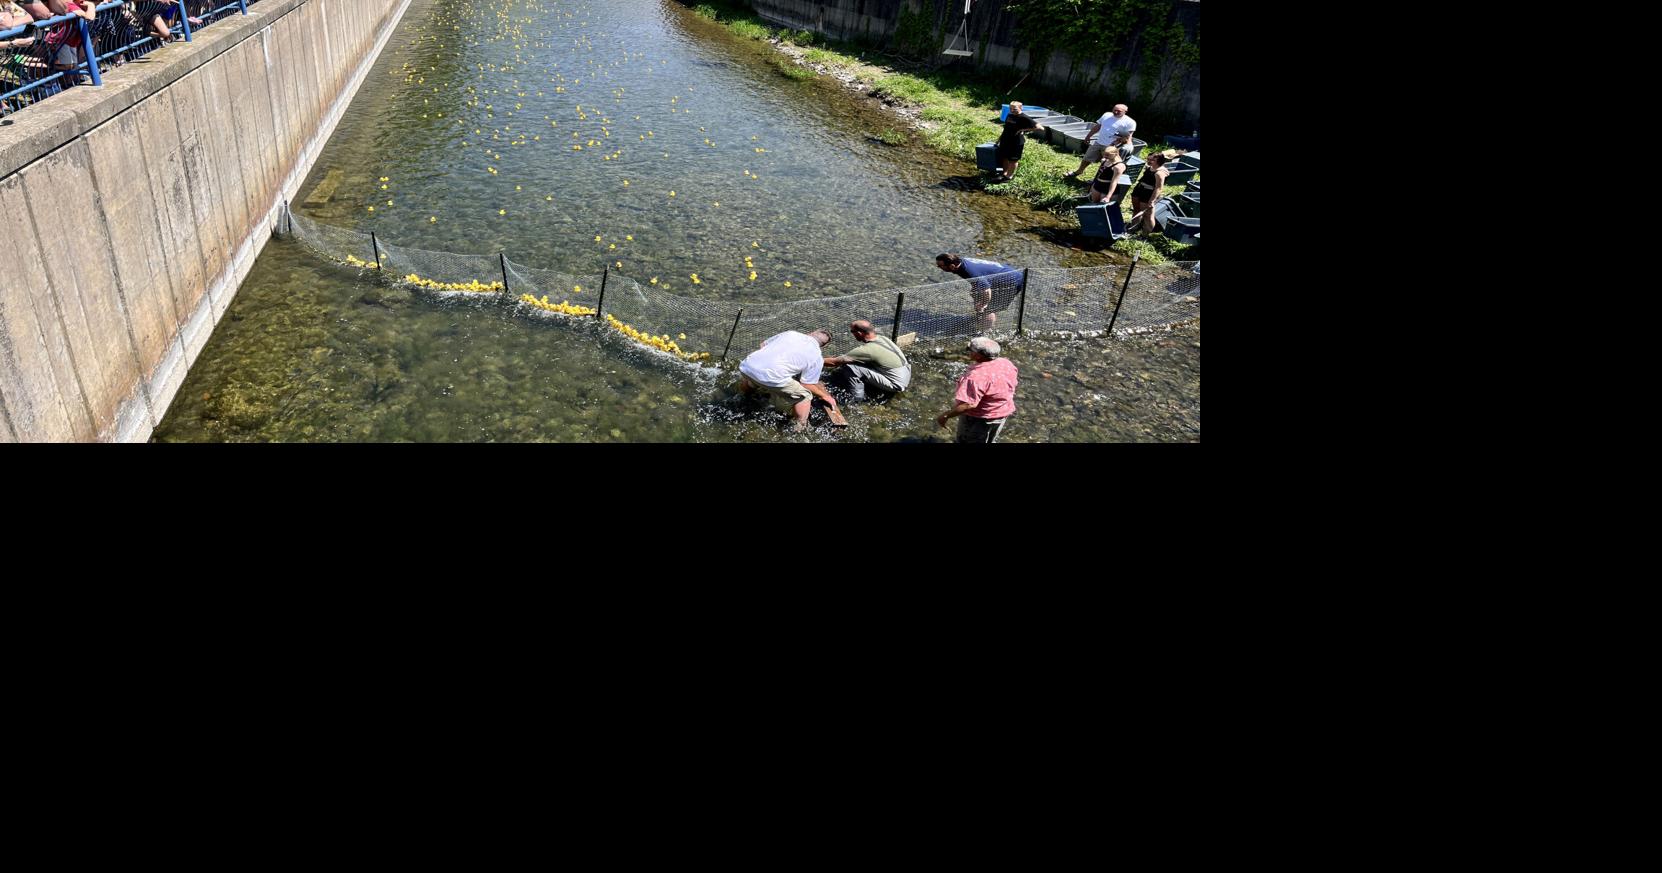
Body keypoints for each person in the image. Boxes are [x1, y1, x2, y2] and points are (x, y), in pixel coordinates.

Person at [737, 328, 844, 432]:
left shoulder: (790, 333)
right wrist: (825, 395)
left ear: (810, 333)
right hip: (770, 377)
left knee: (758, 375)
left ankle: (743, 396)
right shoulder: (817, 356)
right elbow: (807, 384)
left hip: (747, 366)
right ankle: (800, 428)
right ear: (824, 346)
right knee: (805, 396)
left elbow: (763, 345)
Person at [937, 337, 1018, 443]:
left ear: (978, 355)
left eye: (970, 349)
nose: (968, 351)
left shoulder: (975, 377)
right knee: (989, 439)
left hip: (980, 419)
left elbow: (969, 405)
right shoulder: (1006, 363)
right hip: (1002, 413)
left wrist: (945, 416)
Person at [822, 320, 911, 402]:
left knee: (850, 368)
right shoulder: (882, 338)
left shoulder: (867, 350)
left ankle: (856, 399)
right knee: (854, 360)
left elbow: (834, 362)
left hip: (896, 383)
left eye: (852, 331)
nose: (852, 334)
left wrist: (815, 360)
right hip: (905, 373)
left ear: (859, 333)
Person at [936, 252, 1020, 332]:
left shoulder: (968, 271)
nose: (938, 267)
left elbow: (986, 290)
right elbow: (980, 279)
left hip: (1012, 281)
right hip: (1003, 275)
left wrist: (983, 303)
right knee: (976, 295)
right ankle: (981, 319)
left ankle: (985, 332)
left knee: (987, 309)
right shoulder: (960, 263)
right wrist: (976, 290)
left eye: (940, 266)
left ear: (952, 266)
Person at [1064, 104, 1136, 180]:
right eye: (1114, 110)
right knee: (1087, 157)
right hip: (1099, 142)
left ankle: (1097, 180)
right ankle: (1079, 171)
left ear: (1125, 112)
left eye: (1119, 111)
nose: (1115, 112)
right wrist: (1088, 136)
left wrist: (1115, 144)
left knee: (1106, 164)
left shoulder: (1130, 122)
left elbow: (1127, 138)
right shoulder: (1107, 115)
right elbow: (1097, 126)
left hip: (1112, 147)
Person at [1130, 149, 1181, 234]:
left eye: (1152, 160)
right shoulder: (1150, 168)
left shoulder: (1160, 173)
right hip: (1139, 190)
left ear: (1159, 161)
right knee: (1136, 209)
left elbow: (1158, 188)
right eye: (1148, 159)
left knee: (1148, 215)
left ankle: (1145, 235)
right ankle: (1133, 228)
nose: (1149, 161)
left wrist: (1152, 201)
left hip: (1148, 194)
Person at [992, 100, 1044, 182]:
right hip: (1005, 140)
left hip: (1016, 142)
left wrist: (1022, 130)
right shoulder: (1009, 115)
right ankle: (1004, 174)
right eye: (1010, 109)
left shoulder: (1024, 117)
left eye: (1015, 109)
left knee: (1013, 160)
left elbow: (1040, 127)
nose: (1012, 110)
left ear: (1020, 108)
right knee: (1004, 157)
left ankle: (1009, 176)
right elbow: (1006, 129)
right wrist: (999, 139)